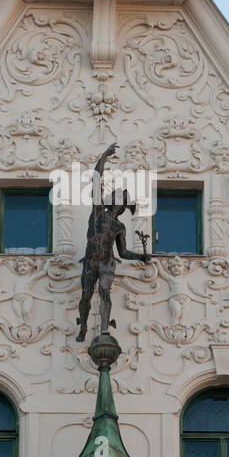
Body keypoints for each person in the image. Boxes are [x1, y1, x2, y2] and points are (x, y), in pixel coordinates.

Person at [76, 143, 150, 342]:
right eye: (118, 196)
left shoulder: (120, 226)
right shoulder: (98, 211)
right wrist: (104, 157)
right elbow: (95, 179)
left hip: (107, 261)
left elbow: (123, 252)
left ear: (124, 206)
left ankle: (104, 330)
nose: (120, 200)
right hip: (91, 259)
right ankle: (83, 326)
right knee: (85, 295)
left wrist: (141, 256)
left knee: (104, 293)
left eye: (123, 199)